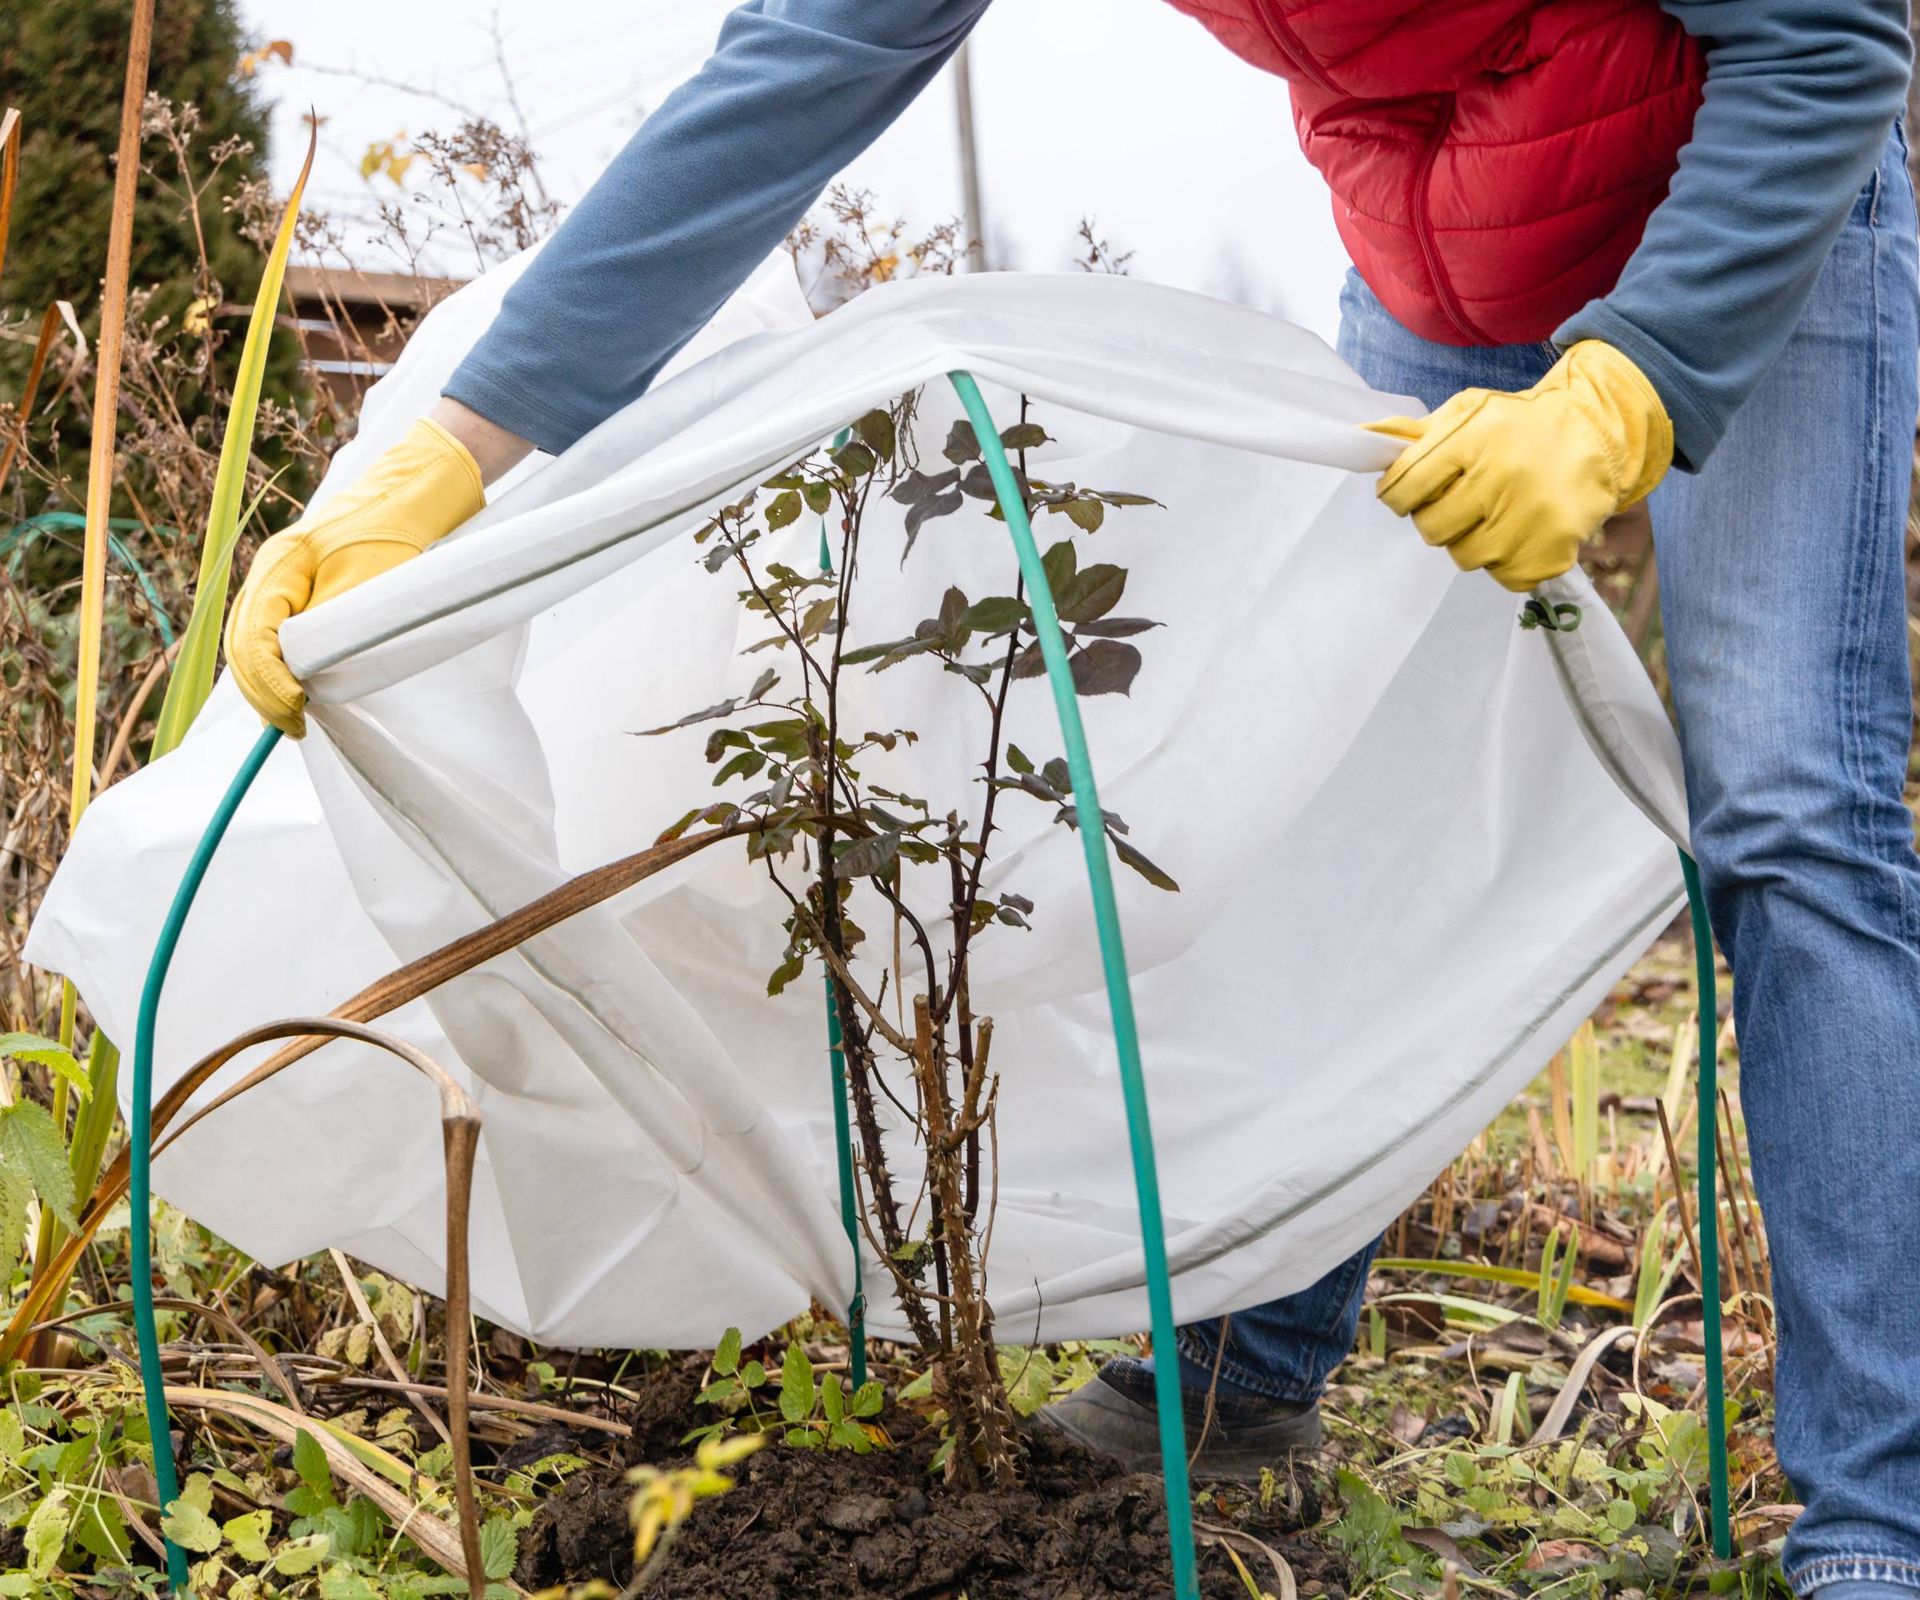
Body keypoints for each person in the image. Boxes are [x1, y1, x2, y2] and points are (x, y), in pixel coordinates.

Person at [225, 4, 1920, 1594]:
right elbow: (794, 72)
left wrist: (1636, 381)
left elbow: (1829, 32)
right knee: (1330, 780)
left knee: (1788, 807)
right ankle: (1246, 1377)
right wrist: (442, 461)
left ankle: (1876, 1513)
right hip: (1440, 235)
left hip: (1741, 189)